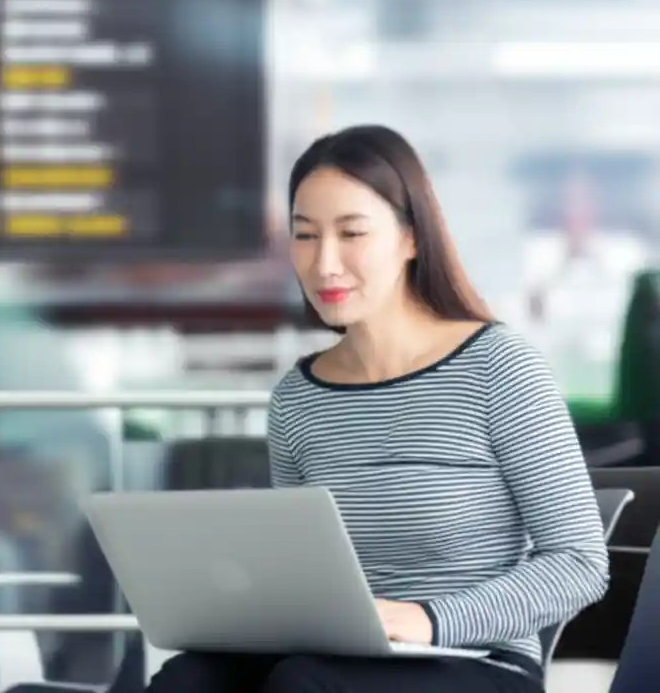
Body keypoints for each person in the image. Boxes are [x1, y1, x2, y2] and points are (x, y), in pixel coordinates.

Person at [146, 125, 609, 693]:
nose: (325, 264)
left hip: (475, 663)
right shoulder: (297, 397)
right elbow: (301, 568)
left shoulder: (498, 367)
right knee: (187, 679)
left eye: (352, 233)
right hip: (336, 655)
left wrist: (426, 620)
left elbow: (580, 564)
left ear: (411, 238)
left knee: (304, 684)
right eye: (306, 236)